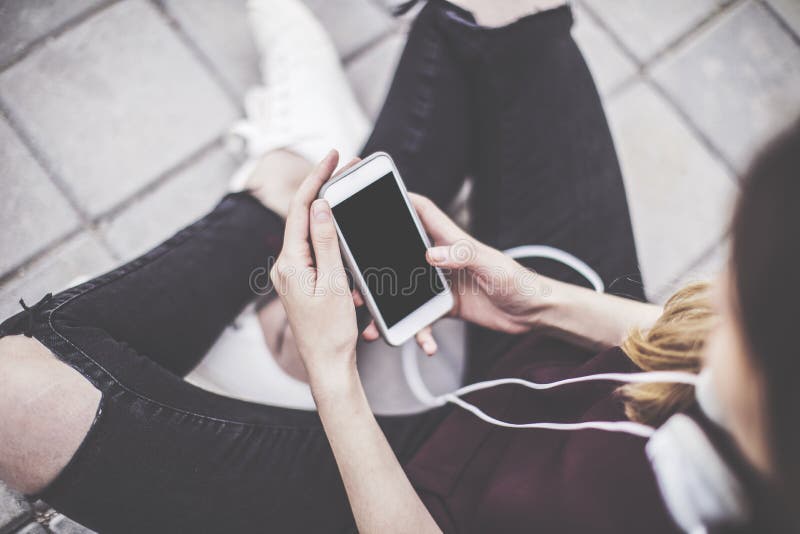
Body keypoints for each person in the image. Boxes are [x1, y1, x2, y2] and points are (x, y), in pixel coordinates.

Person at [0, 0, 795, 532]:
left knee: (12, 395)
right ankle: (313, 184)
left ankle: (279, 193)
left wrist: (334, 375)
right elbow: (689, 329)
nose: (719, 283)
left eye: (742, 308)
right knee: (503, 13)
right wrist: (544, 304)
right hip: (558, 364)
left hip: (416, 501)